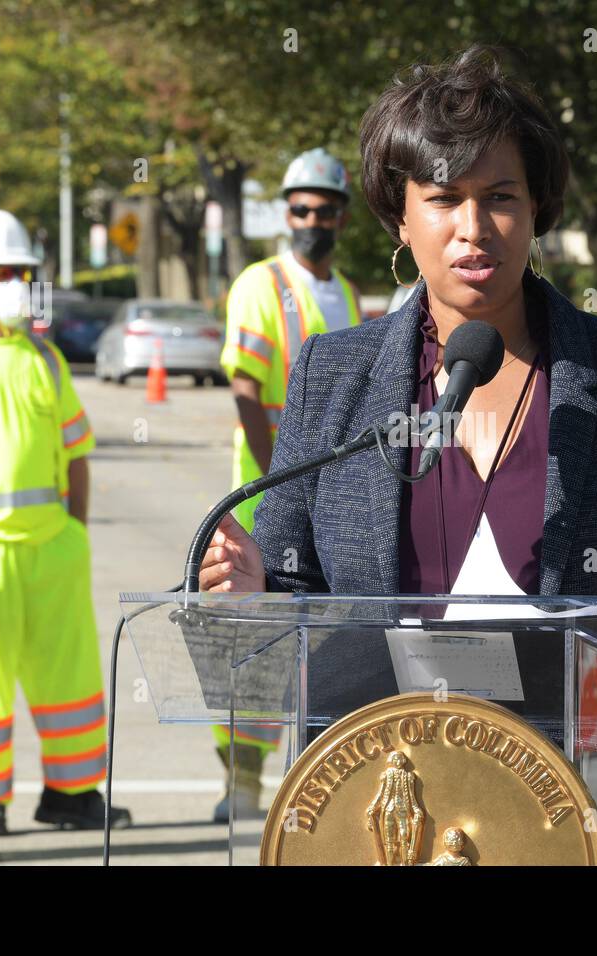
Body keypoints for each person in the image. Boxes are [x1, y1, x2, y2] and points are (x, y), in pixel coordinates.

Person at [198, 47, 597, 864]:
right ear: (400, 215)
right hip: (373, 814)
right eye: (443, 197)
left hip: (575, 813)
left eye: (501, 198)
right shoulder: (332, 374)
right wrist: (250, 592)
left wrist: (592, 703)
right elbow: (288, 594)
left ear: (537, 211)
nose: (473, 227)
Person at [0, 209, 131, 834]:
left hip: (52, 549)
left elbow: (76, 453)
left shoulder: (44, 361)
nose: (14, 284)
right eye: (0, 272)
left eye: (22, 272)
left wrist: (75, 532)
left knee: (70, 678)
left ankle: (72, 794)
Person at [211, 148, 363, 821]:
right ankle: (241, 785)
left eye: (323, 210)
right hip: (269, 490)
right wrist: (278, 480)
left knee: (326, 641)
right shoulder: (260, 285)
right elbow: (246, 389)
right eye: (300, 209)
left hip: (337, 496)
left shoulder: (349, 293)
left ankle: (315, 785)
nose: (311, 220)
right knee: (257, 641)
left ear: (342, 216)